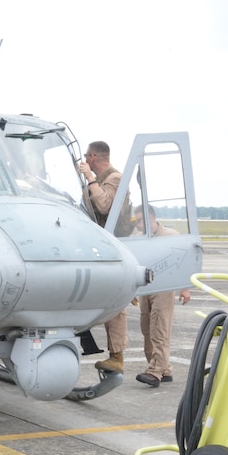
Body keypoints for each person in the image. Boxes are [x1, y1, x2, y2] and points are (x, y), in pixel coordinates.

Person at [78, 141, 128, 373]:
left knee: (116, 302)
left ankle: (117, 357)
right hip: (98, 245)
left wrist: (90, 178)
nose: (84, 161)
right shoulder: (104, 180)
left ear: (94, 156)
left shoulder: (115, 178)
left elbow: (105, 206)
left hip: (114, 247)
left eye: (87, 156)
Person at [132, 205, 191, 388]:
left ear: (150, 218)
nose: (136, 225)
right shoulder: (138, 239)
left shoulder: (170, 236)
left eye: (139, 220)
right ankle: (164, 369)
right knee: (146, 329)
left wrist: (184, 288)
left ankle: (155, 372)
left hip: (164, 289)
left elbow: (183, 262)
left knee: (159, 329)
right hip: (146, 289)